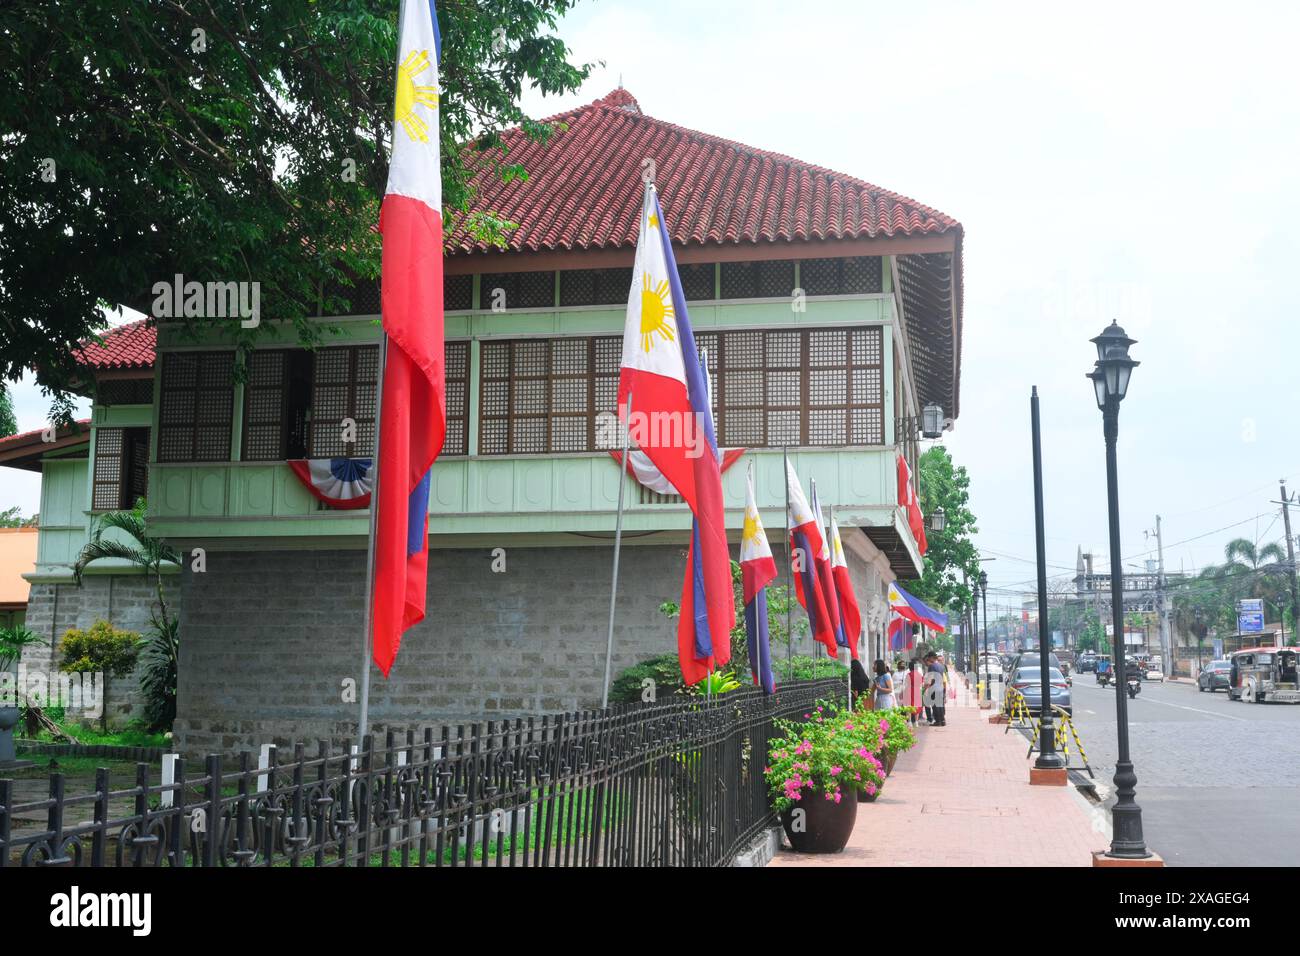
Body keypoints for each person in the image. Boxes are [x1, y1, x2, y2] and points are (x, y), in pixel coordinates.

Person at [924, 652, 948, 726]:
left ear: (931, 657)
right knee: (940, 705)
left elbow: (930, 678)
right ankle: (942, 720)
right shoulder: (941, 666)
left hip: (934, 687)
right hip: (940, 687)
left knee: (935, 706)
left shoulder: (931, 666)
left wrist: (926, 688)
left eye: (929, 658)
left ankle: (938, 721)